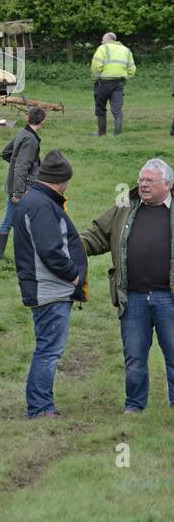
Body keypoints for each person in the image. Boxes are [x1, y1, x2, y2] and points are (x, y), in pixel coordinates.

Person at [80, 159, 174, 414]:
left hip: (169, 298)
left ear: (167, 185)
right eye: (141, 180)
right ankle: (134, 406)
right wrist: (68, 246)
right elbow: (98, 235)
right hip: (132, 297)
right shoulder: (125, 207)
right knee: (134, 356)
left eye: (149, 181)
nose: (143, 185)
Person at [12, 150, 86, 420]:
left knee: (47, 347)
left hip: (45, 287)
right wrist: (74, 276)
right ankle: (41, 407)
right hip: (50, 290)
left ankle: (40, 404)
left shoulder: (33, 200)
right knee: (49, 350)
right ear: (60, 180)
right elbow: (50, 250)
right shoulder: (42, 205)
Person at [0, 106, 46, 260]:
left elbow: (6, 153)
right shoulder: (30, 139)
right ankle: (2, 256)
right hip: (22, 187)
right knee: (14, 220)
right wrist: (18, 192)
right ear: (43, 122)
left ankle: (1, 256)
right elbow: (22, 166)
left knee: (13, 219)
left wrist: (16, 165)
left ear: (27, 118)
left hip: (17, 184)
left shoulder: (23, 133)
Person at [90, 31, 135, 137]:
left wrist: (95, 79)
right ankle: (118, 134)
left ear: (108, 40)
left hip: (103, 83)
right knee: (117, 109)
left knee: (100, 108)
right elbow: (132, 69)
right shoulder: (126, 50)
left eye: (103, 39)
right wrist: (125, 79)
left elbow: (96, 66)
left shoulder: (103, 48)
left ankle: (101, 133)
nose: (101, 41)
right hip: (119, 83)